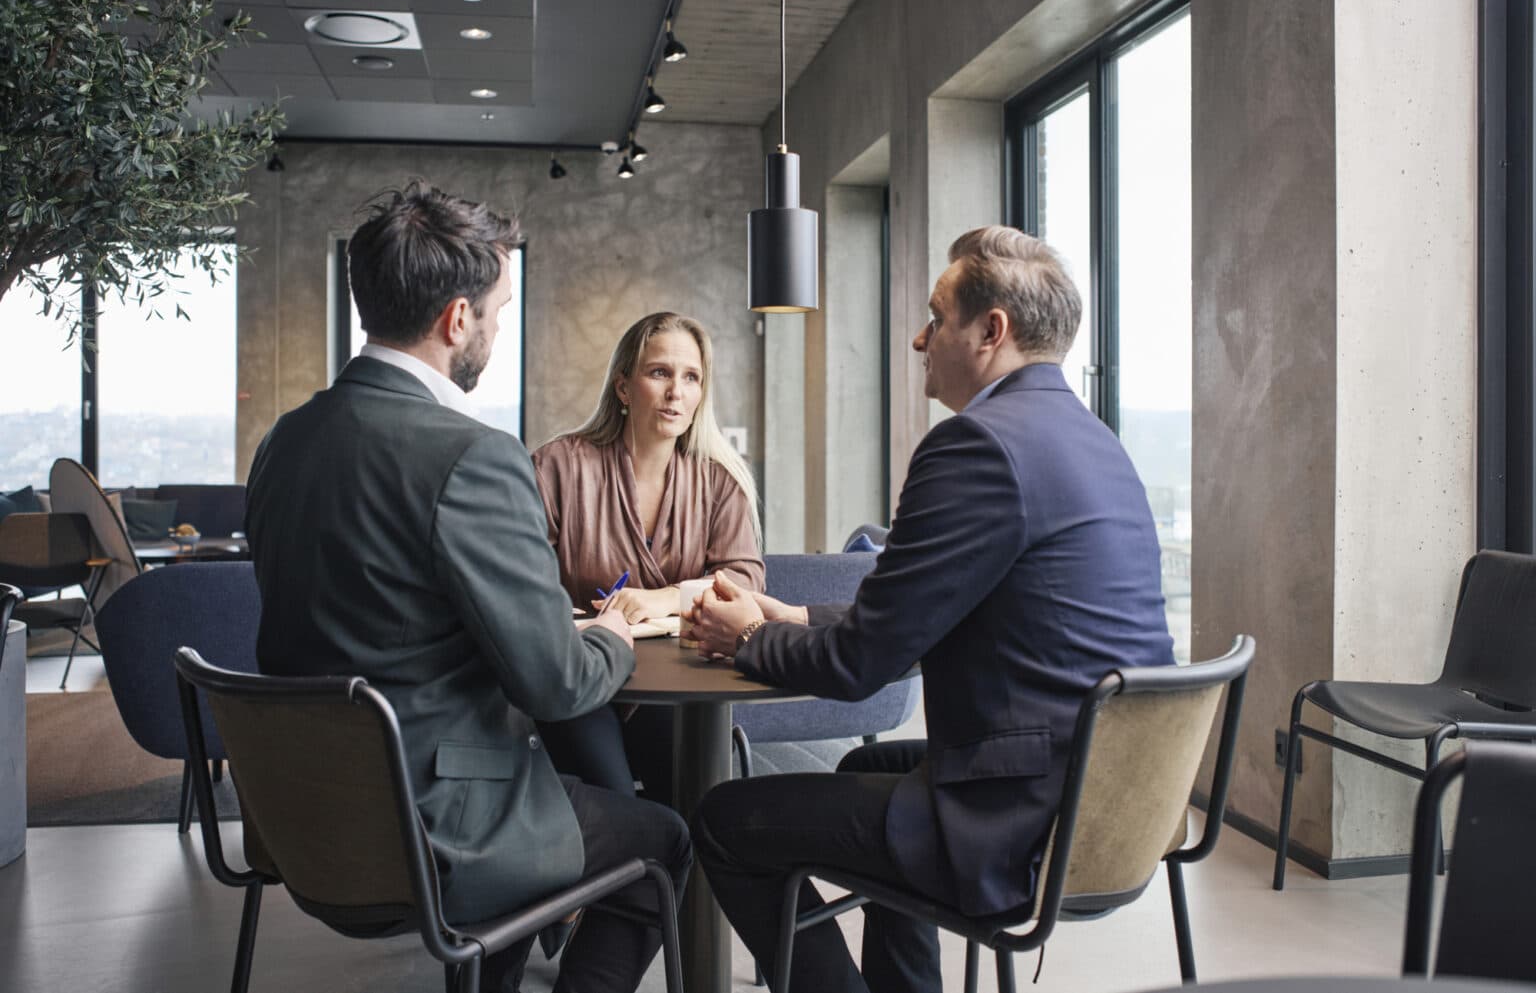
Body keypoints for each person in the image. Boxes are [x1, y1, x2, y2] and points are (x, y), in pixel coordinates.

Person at [684, 225, 1176, 993]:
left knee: (721, 820)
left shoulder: (976, 445)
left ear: (992, 331)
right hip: (1105, 795)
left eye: (935, 316)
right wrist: (793, 616)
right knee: (865, 762)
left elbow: (860, 667)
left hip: (1018, 819)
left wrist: (748, 636)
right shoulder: (1094, 441)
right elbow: (930, 611)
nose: (918, 337)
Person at [245, 181, 691, 993]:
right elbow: (557, 682)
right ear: (458, 320)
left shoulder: (285, 441)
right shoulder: (471, 456)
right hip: (432, 828)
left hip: (301, 820)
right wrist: (614, 639)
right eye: (499, 311)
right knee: (662, 835)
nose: (496, 328)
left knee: (560, 818)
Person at [532, 311, 765, 801]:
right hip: (582, 680)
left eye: (691, 377)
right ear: (623, 387)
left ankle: (685, 878)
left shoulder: (720, 480)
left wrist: (666, 598)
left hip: (679, 690)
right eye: (659, 372)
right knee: (620, 806)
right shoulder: (559, 465)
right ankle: (631, 877)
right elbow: (520, 578)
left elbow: (745, 583)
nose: (676, 392)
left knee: (698, 803)